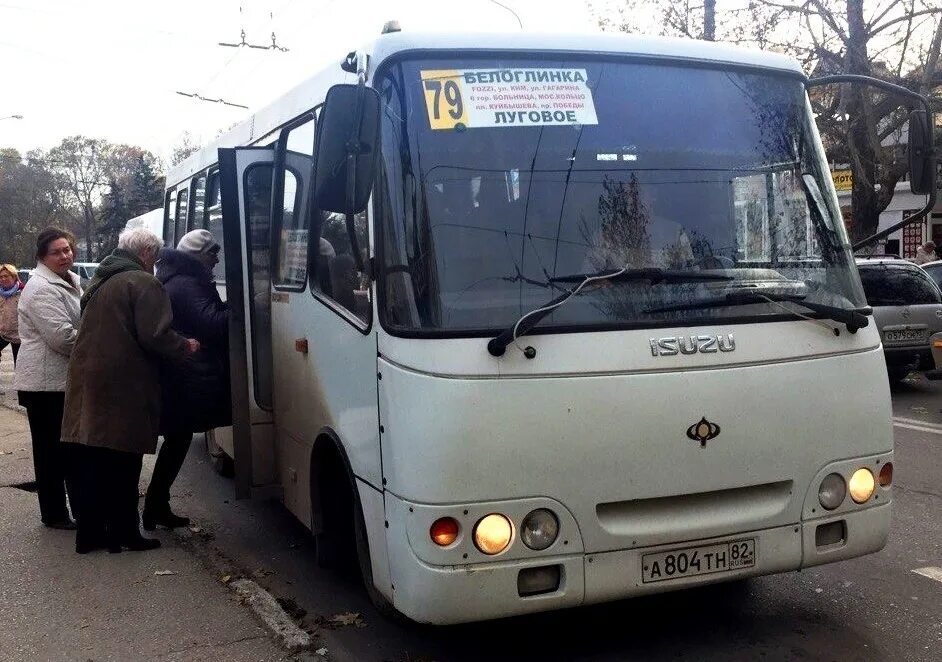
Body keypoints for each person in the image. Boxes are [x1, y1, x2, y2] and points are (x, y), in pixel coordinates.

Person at [62, 227, 198, 553]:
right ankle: (125, 533)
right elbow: (155, 335)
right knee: (125, 460)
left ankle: (90, 535)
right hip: (124, 384)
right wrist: (186, 345)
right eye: (155, 257)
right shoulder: (142, 282)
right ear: (147, 254)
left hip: (89, 378)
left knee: (97, 460)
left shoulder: (102, 278)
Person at [144, 229, 230, 530]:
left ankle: (156, 505)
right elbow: (213, 324)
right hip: (187, 374)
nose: (217, 258)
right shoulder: (187, 283)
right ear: (198, 256)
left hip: (181, 372)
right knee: (178, 438)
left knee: (178, 439)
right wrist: (244, 305)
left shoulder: (178, 278)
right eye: (212, 253)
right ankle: (154, 506)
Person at [13, 229, 82, 530]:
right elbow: (63, 338)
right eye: (57, 252)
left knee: (63, 449)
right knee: (51, 452)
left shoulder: (70, 279)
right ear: (42, 256)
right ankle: (53, 514)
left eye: (67, 249)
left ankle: (68, 509)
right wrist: (100, 340)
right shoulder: (41, 288)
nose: (65, 255)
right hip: (44, 384)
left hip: (59, 381)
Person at [0, 263, 23, 365]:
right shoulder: (0, 293)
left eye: (6, 276)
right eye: (1, 277)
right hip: (3, 333)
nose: (3, 279)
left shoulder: (23, 292)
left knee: (19, 366)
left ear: (14, 277)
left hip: (19, 337)